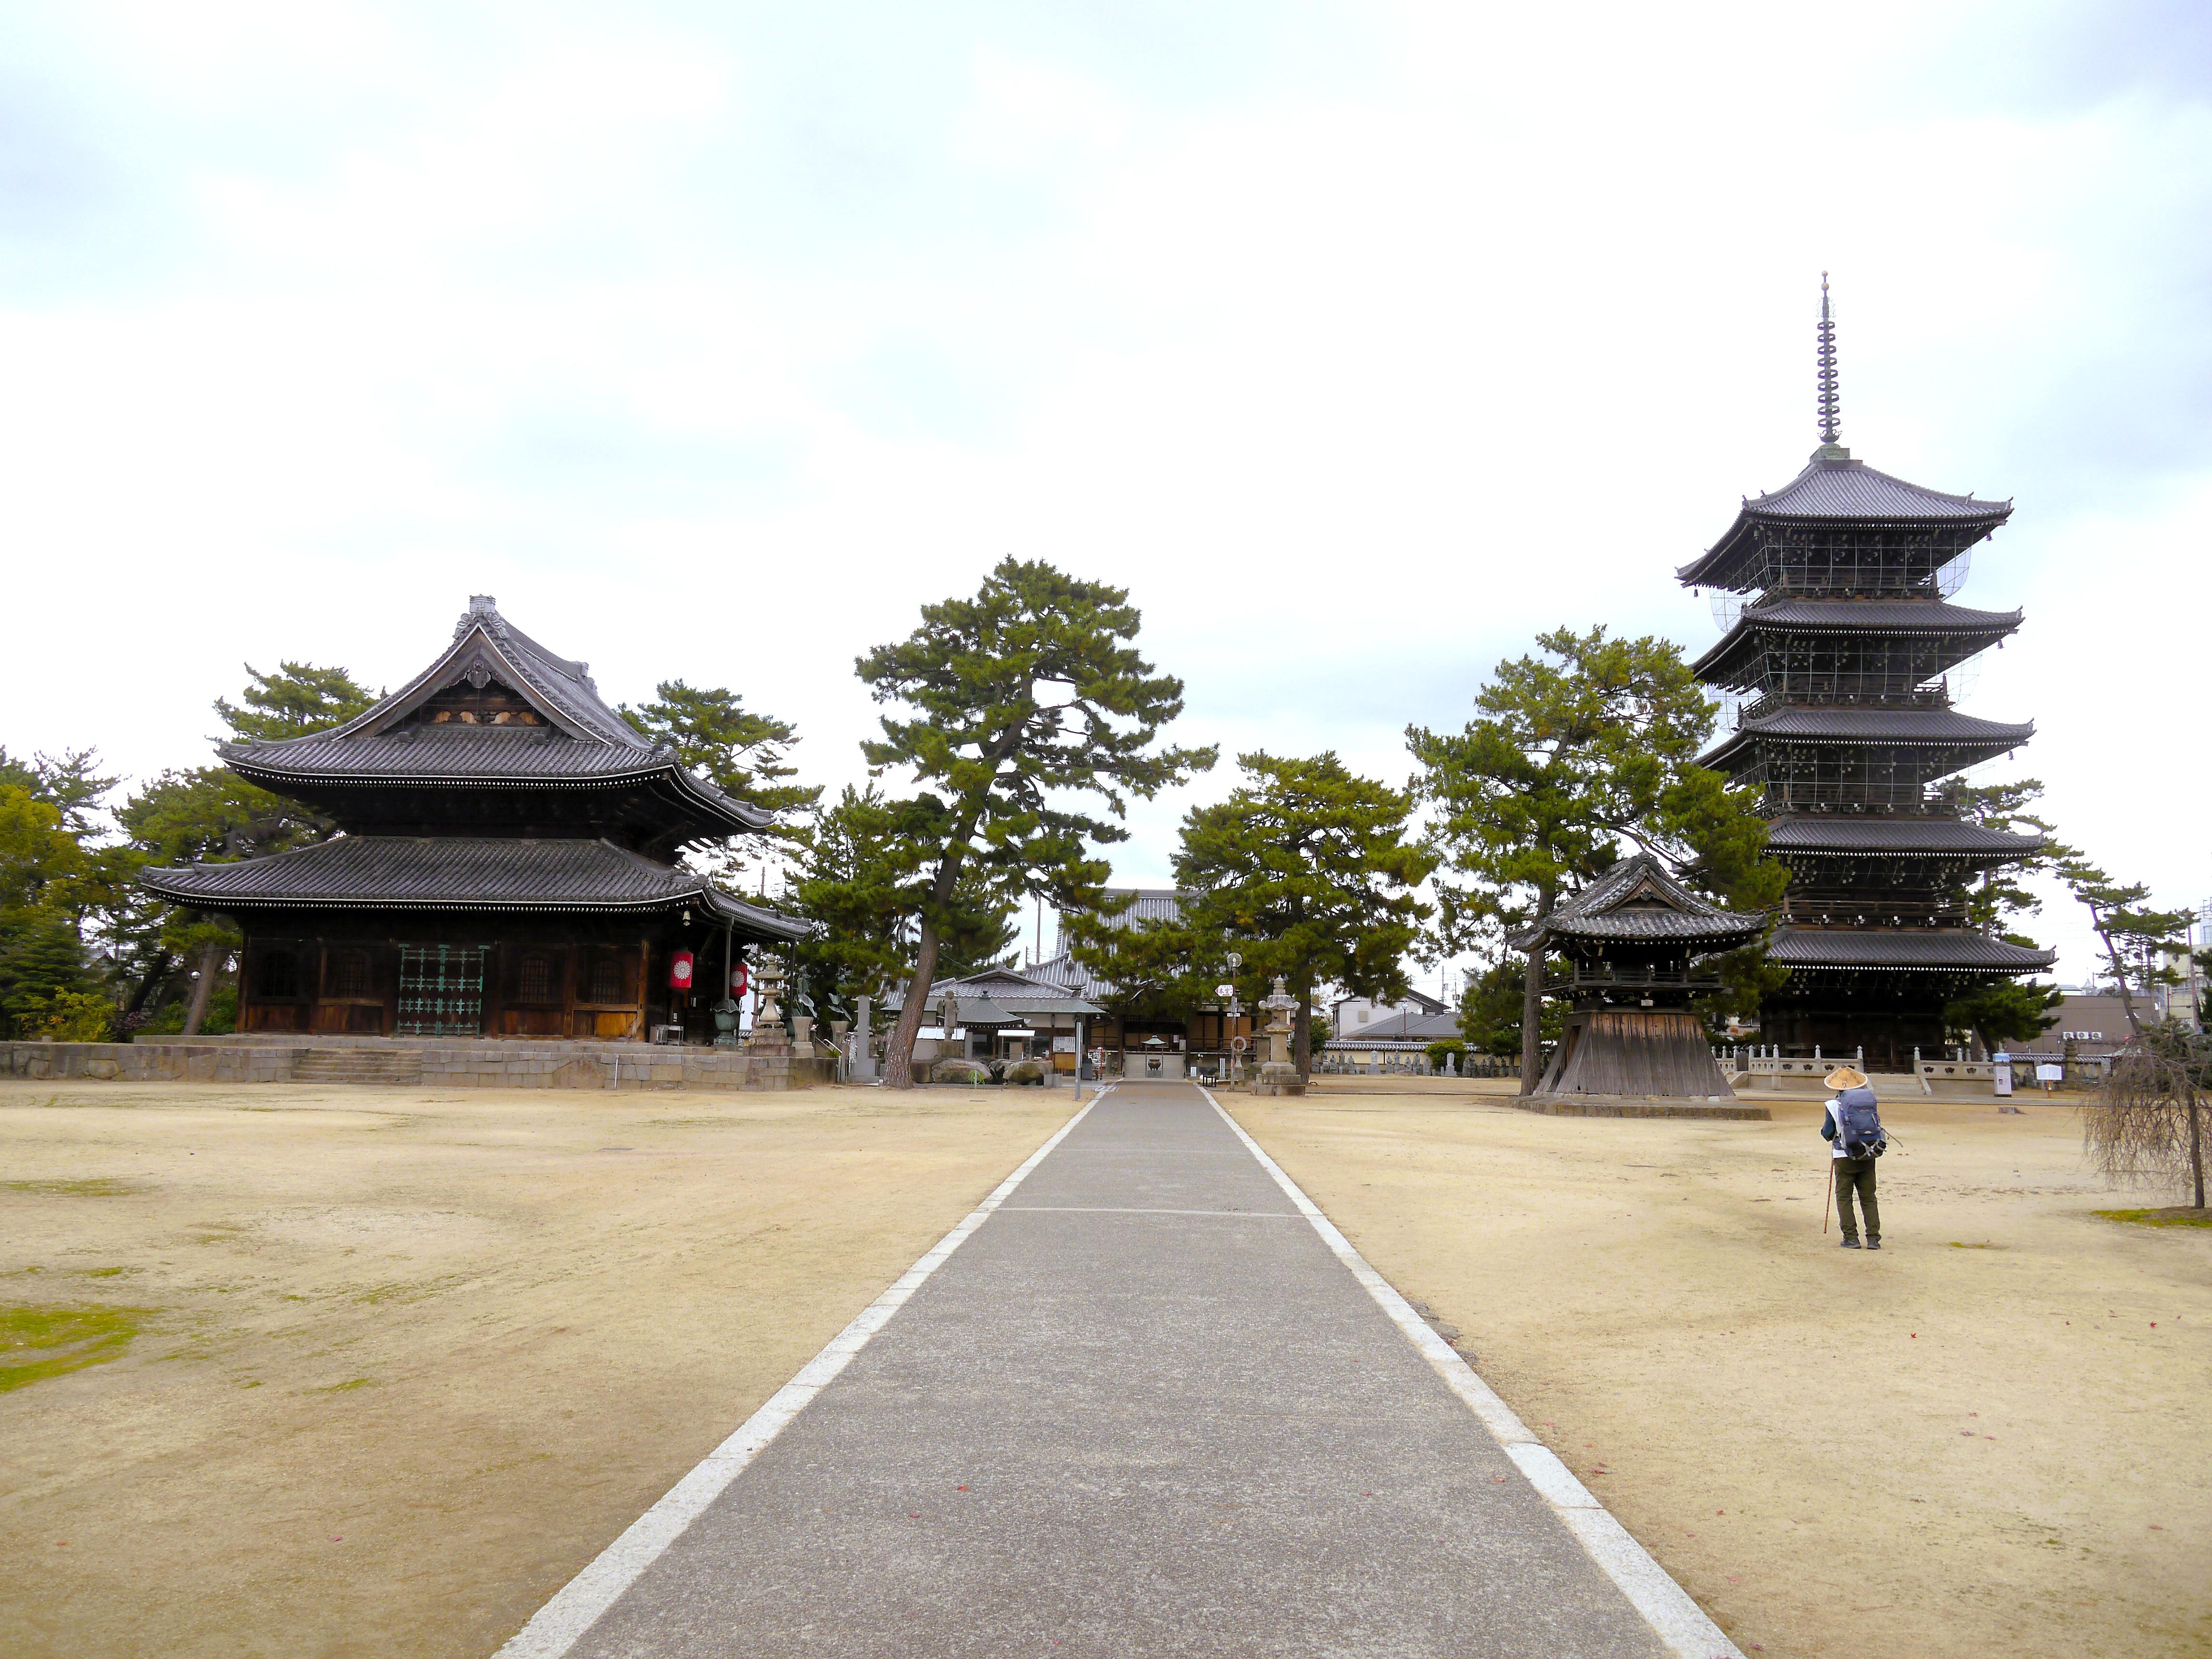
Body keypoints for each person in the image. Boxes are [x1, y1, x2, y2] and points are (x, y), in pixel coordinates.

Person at [1821, 1064, 1886, 1250]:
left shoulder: (1833, 1105)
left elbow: (1828, 1132)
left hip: (1843, 1155)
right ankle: (1873, 1239)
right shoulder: (1867, 1102)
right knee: (1869, 1197)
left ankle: (1851, 1238)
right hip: (1868, 1151)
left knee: (1844, 1197)